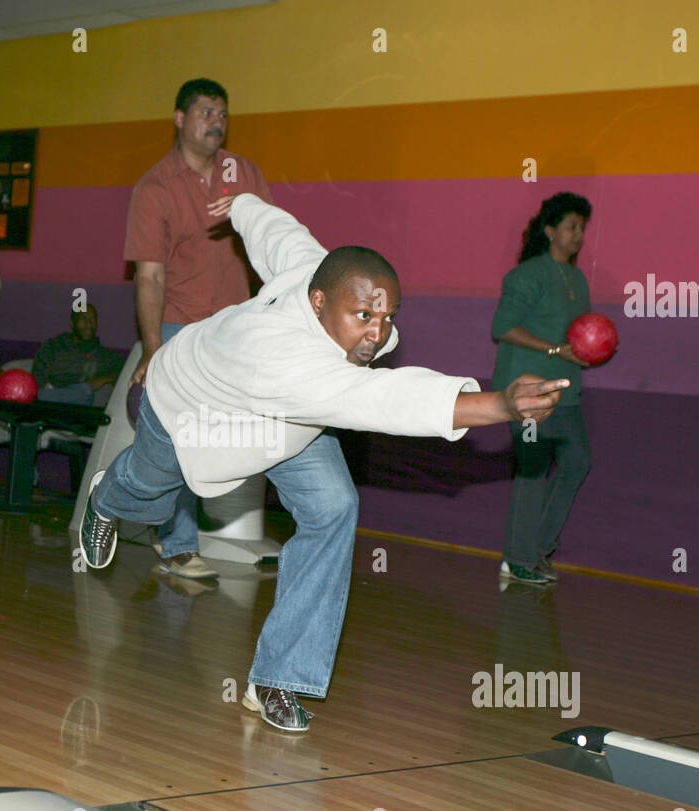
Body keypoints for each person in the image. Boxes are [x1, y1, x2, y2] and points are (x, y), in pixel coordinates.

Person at [79, 194, 568, 733]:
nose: (378, 333)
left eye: (387, 316)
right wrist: (499, 405)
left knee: (333, 506)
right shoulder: (287, 363)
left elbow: (277, 232)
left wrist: (240, 203)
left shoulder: (317, 276)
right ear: (318, 302)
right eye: (364, 316)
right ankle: (107, 499)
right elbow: (387, 400)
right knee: (146, 486)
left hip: (289, 418)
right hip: (189, 401)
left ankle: (277, 679)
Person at [124, 77, 273, 581]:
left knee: (237, 429)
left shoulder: (244, 175)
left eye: (222, 113)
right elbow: (150, 276)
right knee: (181, 434)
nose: (216, 121)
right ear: (180, 119)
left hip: (234, 328)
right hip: (179, 326)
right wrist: (153, 349)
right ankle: (177, 543)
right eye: (206, 112)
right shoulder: (154, 189)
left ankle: (230, 529)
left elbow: (270, 247)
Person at [490, 193, 594, 586]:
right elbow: (502, 327)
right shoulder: (527, 275)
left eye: (582, 228)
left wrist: (589, 352)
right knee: (532, 470)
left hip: (565, 392)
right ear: (549, 230)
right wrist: (554, 350)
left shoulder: (578, 279)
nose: (578, 235)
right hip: (527, 394)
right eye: (571, 226)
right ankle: (517, 561)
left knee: (577, 463)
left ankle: (536, 550)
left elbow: (577, 335)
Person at [31, 303, 123, 406]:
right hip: (50, 403)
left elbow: (125, 373)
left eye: (92, 320)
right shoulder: (53, 347)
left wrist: (105, 380)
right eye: (83, 319)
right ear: (72, 323)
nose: (89, 324)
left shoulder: (104, 355)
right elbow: (36, 381)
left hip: (82, 407)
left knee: (85, 391)